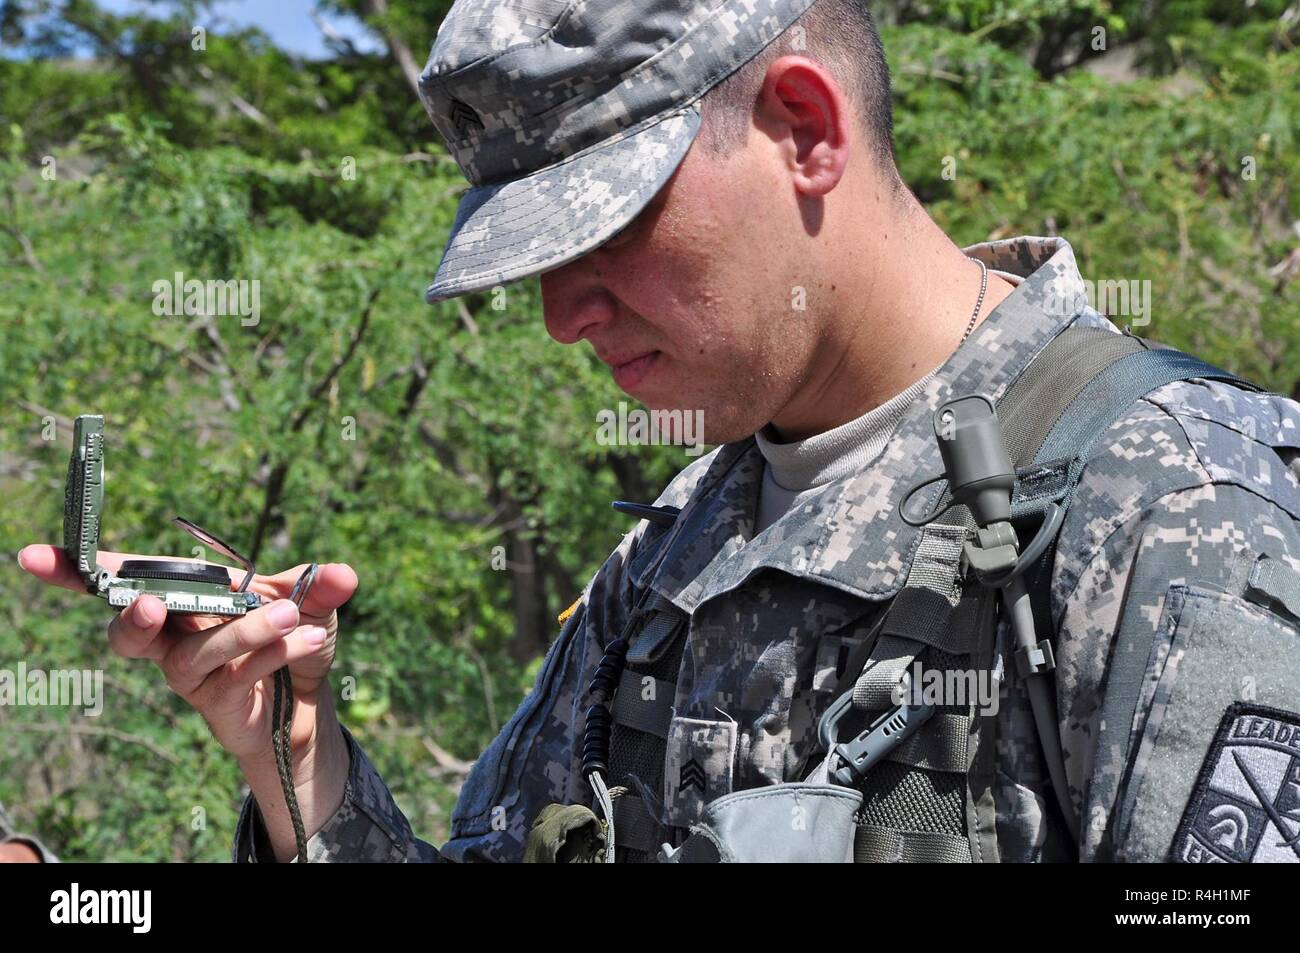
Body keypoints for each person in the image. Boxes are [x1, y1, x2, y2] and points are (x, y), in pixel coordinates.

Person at [20, 0, 1300, 863]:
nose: (561, 318)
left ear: (804, 129)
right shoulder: (687, 535)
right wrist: (300, 760)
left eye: (596, 233)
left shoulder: (1176, 511)